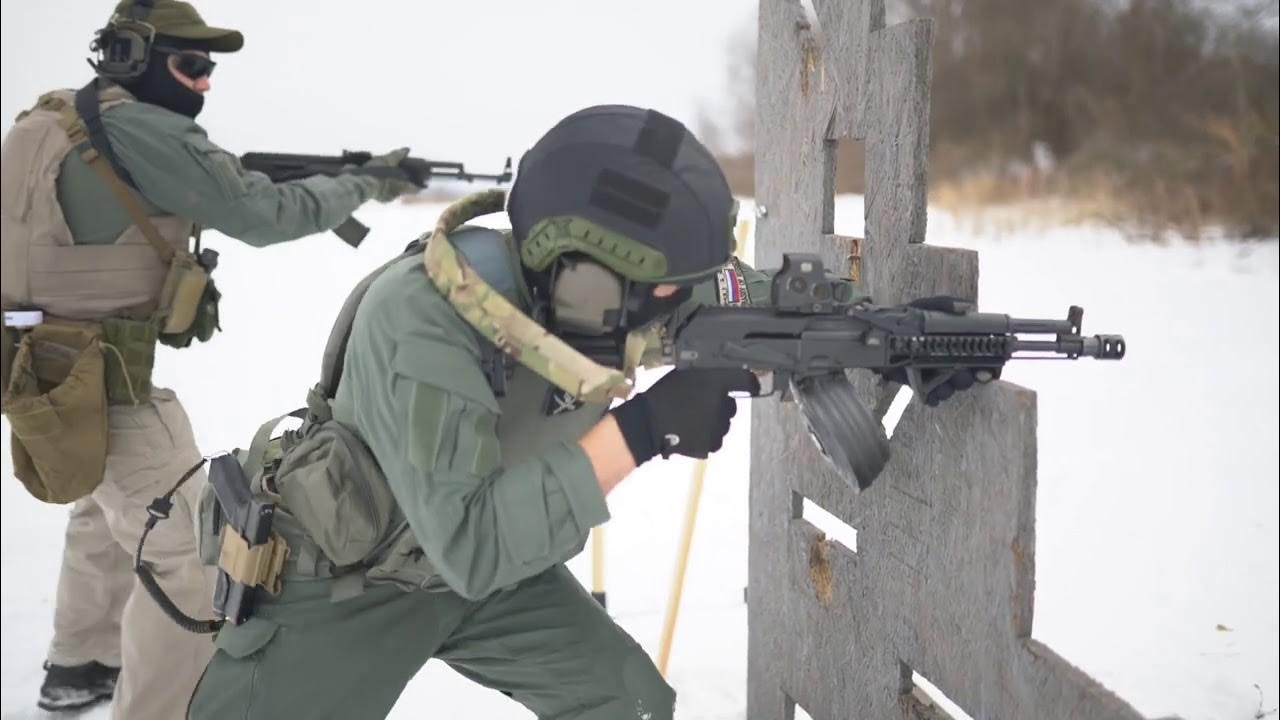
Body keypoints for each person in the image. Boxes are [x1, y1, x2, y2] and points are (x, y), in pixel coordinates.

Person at [184, 104, 984, 719]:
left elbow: (749, 301)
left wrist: (883, 332)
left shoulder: (606, 291)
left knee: (624, 701)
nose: (675, 302)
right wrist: (644, 429)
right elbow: (471, 546)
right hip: (345, 583)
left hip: (482, 571)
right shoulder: (422, 326)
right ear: (584, 278)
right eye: (663, 289)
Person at [0, 0, 417, 716]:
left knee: (108, 504)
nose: (204, 83)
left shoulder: (49, 118)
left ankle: (81, 664)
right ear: (133, 57)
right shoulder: (139, 128)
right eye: (191, 65)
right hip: (100, 374)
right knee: (188, 546)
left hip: (40, 367)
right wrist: (369, 181)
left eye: (208, 68)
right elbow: (265, 215)